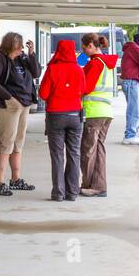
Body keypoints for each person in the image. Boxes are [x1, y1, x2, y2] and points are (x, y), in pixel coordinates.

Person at [0, 31, 40, 196]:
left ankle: (16, 179)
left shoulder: (22, 58)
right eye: (18, 47)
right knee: (6, 142)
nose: (21, 49)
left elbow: (36, 73)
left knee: (18, 142)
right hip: (7, 105)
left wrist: (32, 55)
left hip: (24, 104)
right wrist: (10, 98)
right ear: (10, 46)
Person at [38, 39, 86, 201]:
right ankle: (72, 192)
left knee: (57, 155)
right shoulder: (79, 70)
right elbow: (83, 90)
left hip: (56, 117)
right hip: (75, 116)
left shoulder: (52, 69)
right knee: (74, 154)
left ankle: (58, 193)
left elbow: (43, 94)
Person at [79, 34, 119, 197]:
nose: (82, 51)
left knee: (87, 150)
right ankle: (100, 185)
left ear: (90, 45)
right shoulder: (106, 63)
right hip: (106, 111)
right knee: (99, 149)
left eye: (83, 48)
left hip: (95, 112)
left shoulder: (96, 63)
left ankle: (89, 185)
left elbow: (86, 88)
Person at [121, 31, 139, 145]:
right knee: (134, 110)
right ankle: (130, 135)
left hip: (131, 81)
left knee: (134, 109)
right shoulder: (134, 48)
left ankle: (131, 134)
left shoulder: (132, 47)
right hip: (132, 81)